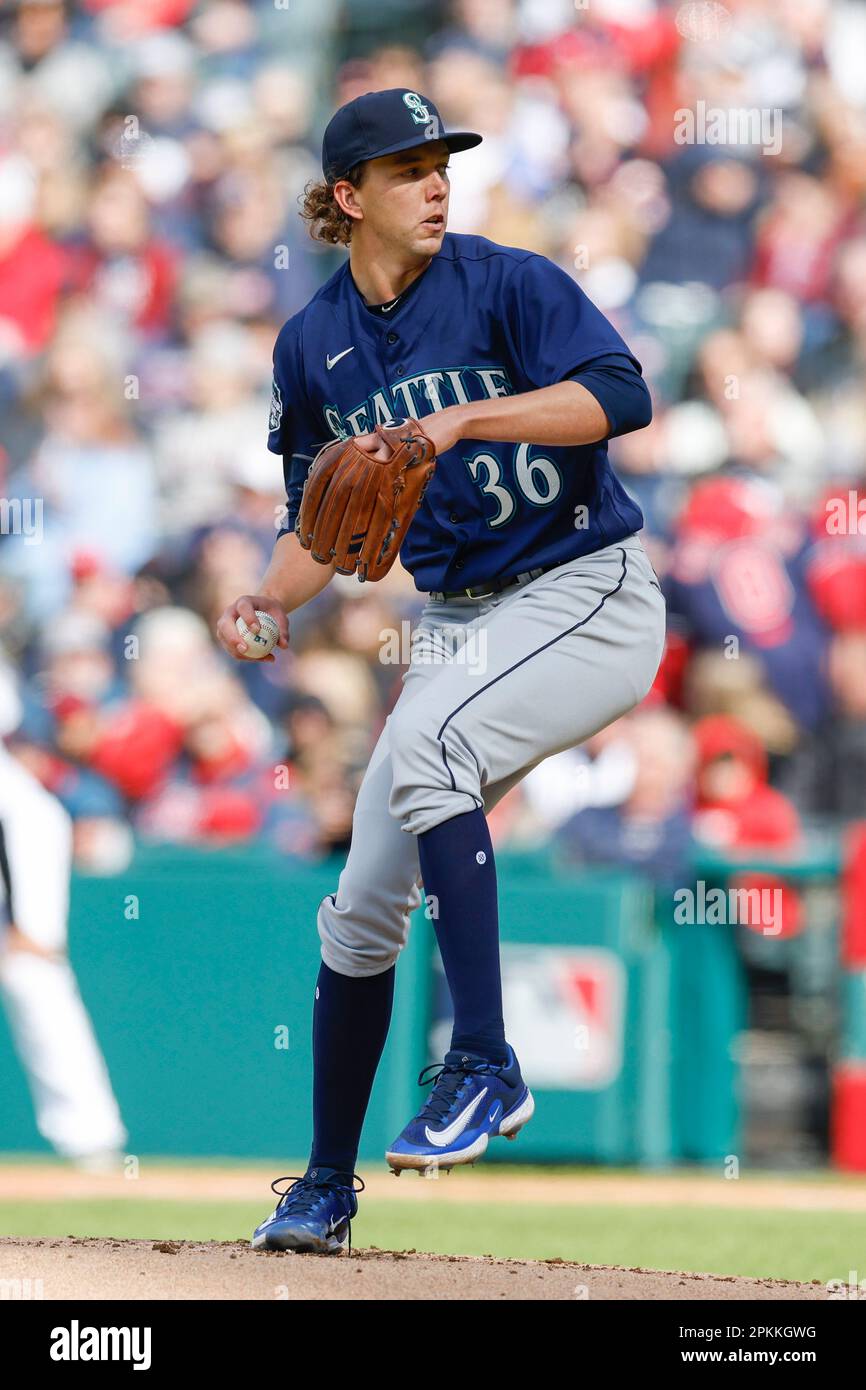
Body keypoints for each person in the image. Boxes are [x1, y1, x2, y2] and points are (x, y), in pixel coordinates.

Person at [216, 89, 665, 1254]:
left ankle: (483, 1058)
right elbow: (321, 519)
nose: (434, 182)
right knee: (361, 908)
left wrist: (469, 420)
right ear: (346, 195)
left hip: (588, 588)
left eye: (441, 162)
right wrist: (265, 597)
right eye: (406, 166)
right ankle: (321, 1186)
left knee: (429, 747)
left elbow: (623, 395)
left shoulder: (506, 282)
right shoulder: (309, 342)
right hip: (465, 625)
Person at [0, 655, 127, 1168]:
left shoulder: (19, 795)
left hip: (21, 886)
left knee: (36, 975)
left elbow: (28, 829)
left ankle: (91, 1138)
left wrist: (24, 926)